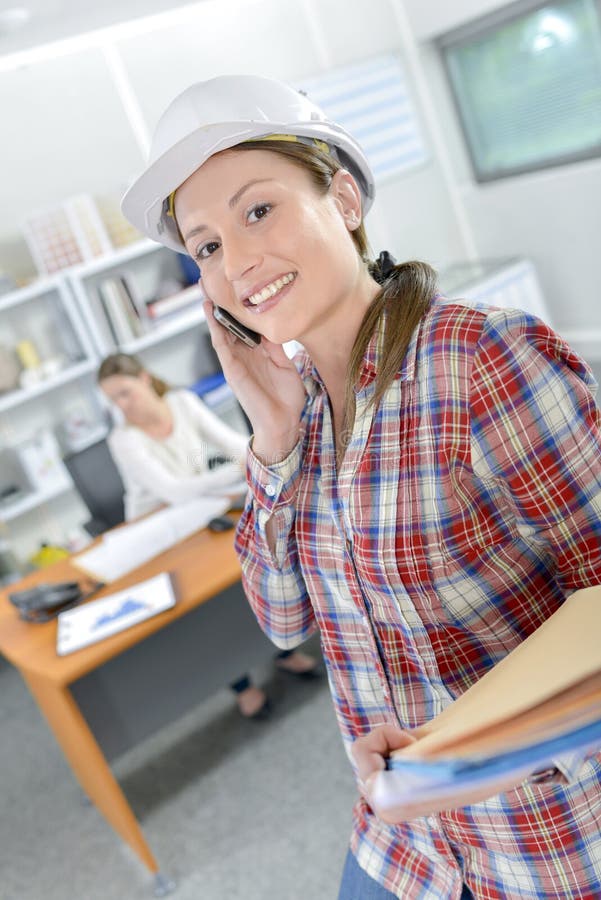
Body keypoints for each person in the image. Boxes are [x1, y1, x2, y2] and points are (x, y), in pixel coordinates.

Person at [120, 75, 601, 899]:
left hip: (537, 838)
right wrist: (270, 443)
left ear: (342, 197)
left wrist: (474, 758)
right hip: (404, 843)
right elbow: (281, 624)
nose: (235, 262)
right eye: (203, 246)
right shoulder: (294, 417)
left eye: (257, 210)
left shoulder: (481, 360)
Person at [97, 352, 318, 718]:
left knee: (247, 572)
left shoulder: (182, 403)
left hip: (200, 514)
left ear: (145, 379)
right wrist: (235, 471)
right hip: (157, 531)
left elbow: (235, 446)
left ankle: (281, 652)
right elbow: (174, 491)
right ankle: (242, 686)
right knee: (204, 607)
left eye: (125, 393)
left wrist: (259, 455)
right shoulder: (123, 439)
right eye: (112, 400)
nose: (122, 406)